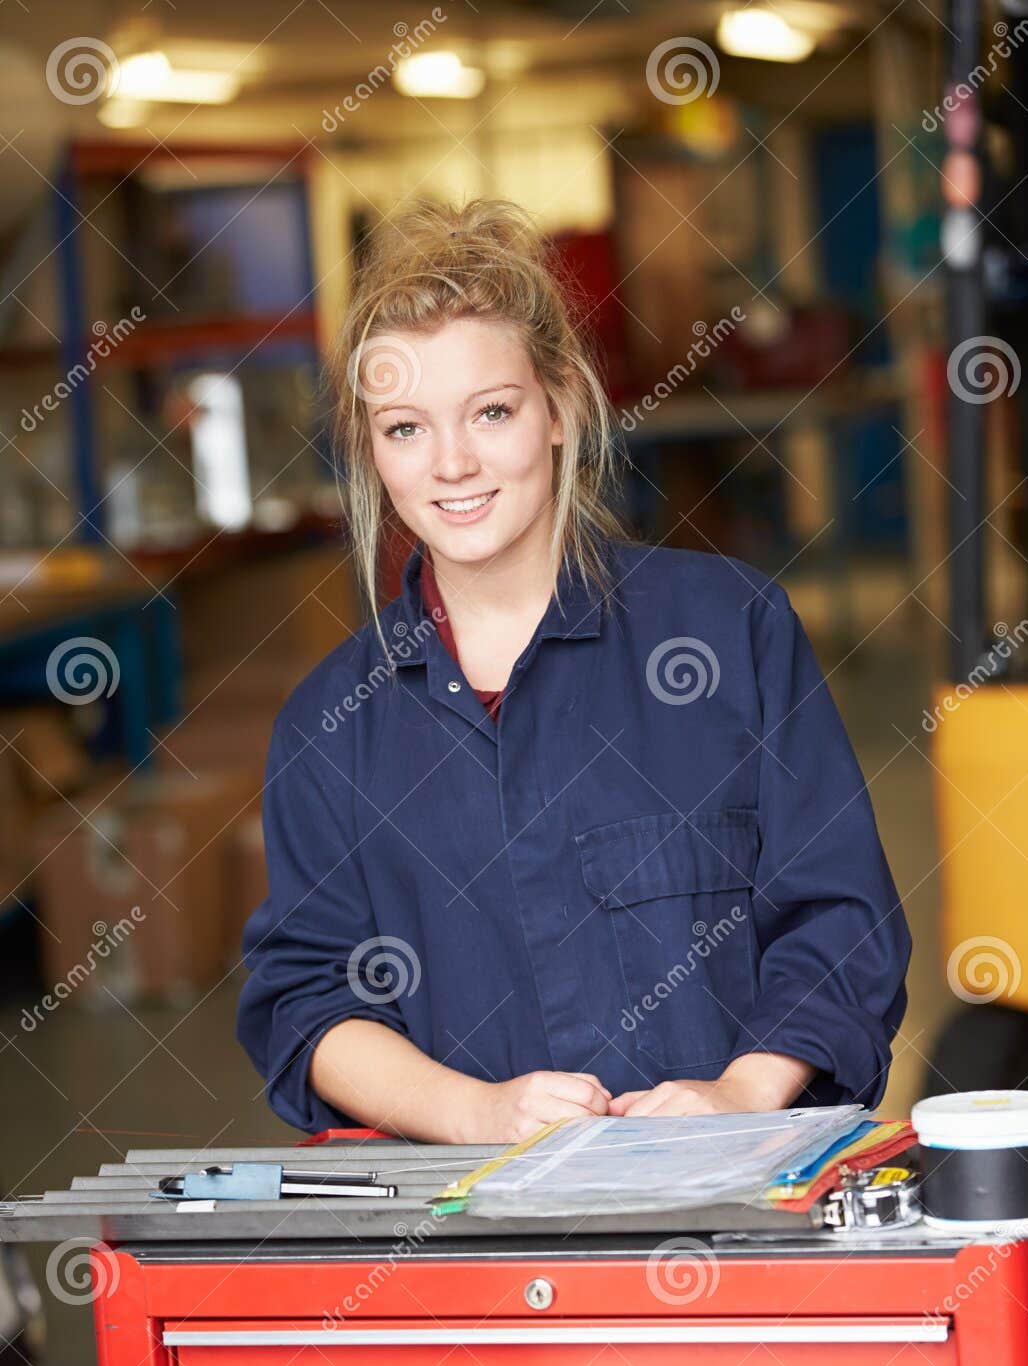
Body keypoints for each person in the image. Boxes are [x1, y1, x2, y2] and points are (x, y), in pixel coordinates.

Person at [236, 198, 911, 1144]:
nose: (453, 464)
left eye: (492, 411)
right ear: (368, 449)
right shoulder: (332, 725)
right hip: (471, 1255)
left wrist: (739, 1094)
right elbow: (307, 998)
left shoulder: (726, 631)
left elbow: (839, 914)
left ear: (557, 408)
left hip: (740, 1208)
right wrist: (474, 1110)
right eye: (404, 428)